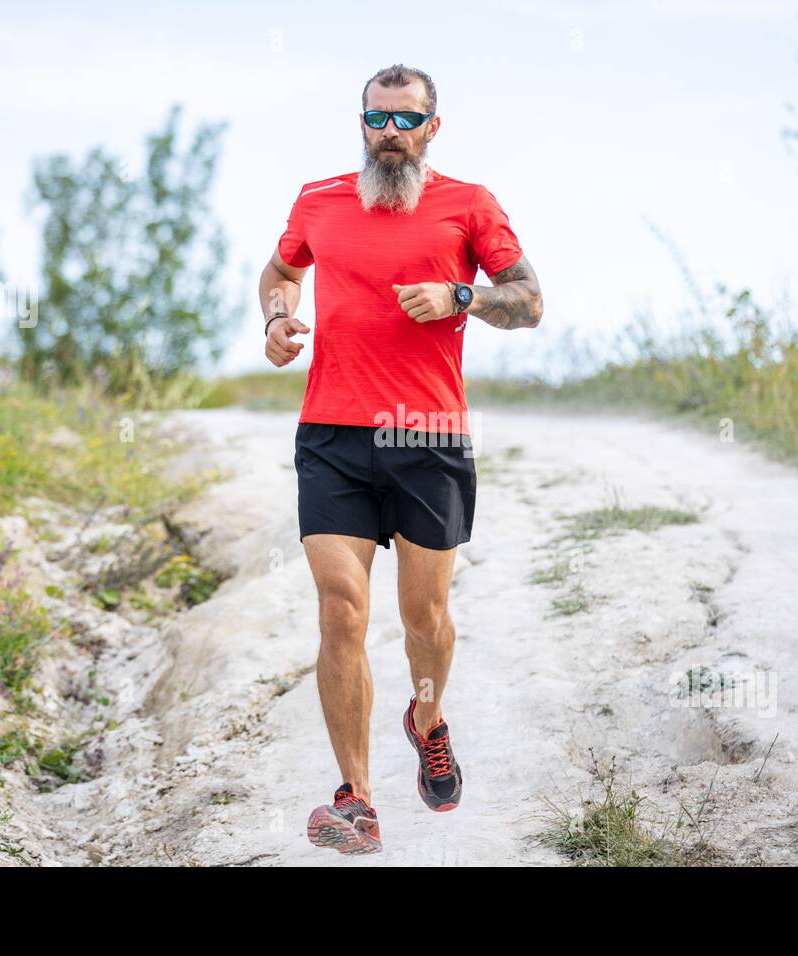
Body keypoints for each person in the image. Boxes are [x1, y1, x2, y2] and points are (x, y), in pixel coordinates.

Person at [259, 63, 543, 855]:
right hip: (333, 435)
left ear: (431, 127)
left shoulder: (469, 205)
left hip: (428, 437)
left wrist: (462, 298)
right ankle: (356, 799)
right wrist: (279, 320)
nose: (388, 135)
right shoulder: (318, 199)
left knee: (426, 622)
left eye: (404, 121)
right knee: (341, 609)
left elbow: (529, 301)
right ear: (361, 123)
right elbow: (282, 272)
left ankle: (426, 719)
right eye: (375, 120)